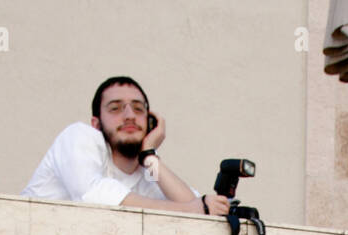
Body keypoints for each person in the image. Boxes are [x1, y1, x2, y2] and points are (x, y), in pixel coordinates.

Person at [22, 76, 229, 217]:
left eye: (138, 109)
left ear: (150, 122)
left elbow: (201, 213)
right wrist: (191, 210)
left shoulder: (148, 172)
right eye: (116, 108)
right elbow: (93, 196)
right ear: (96, 123)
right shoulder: (79, 137)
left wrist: (149, 156)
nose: (130, 115)